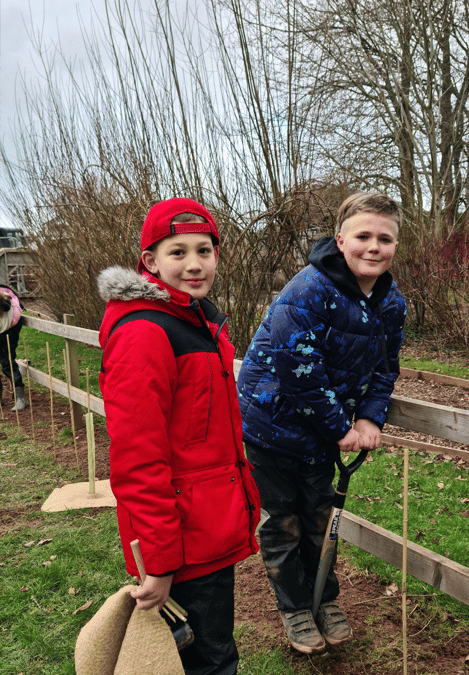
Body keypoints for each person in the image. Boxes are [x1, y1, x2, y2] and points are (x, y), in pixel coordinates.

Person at [237, 192, 407, 655]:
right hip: (270, 425)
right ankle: (295, 607)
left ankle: (324, 600)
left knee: (319, 517)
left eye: (385, 238)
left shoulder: (391, 304)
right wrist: (341, 428)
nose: (374, 247)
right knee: (281, 521)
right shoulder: (308, 290)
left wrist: (371, 414)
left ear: (396, 245)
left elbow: (385, 368)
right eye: (363, 236)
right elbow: (299, 369)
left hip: (319, 433)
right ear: (340, 239)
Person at [98, 198, 261, 675]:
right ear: (150, 261)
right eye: (178, 252)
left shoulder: (197, 321)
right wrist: (160, 560)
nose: (195, 264)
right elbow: (137, 458)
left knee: (208, 653)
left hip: (208, 526)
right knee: (209, 662)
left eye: (205, 250)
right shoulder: (146, 332)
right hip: (184, 540)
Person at [0, 283, 27, 411]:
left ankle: (20, 397)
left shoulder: (8, 302)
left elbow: (7, 306)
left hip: (8, 332)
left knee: (8, 363)